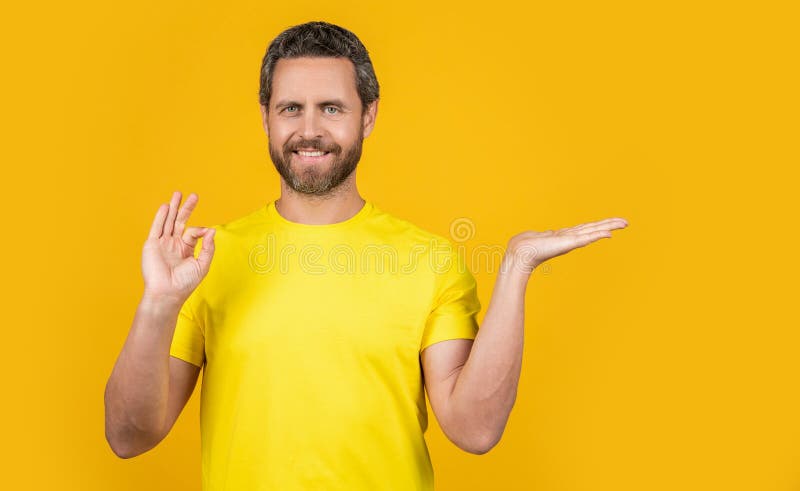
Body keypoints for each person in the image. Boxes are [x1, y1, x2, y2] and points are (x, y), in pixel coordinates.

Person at [104, 20, 628, 490]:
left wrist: (515, 269)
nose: (309, 130)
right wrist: (158, 304)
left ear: (369, 115)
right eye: (291, 108)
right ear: (265, 116)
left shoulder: (430, 262)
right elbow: (129, 437)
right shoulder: (207, 259)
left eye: (331, 108)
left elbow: (474, 430)